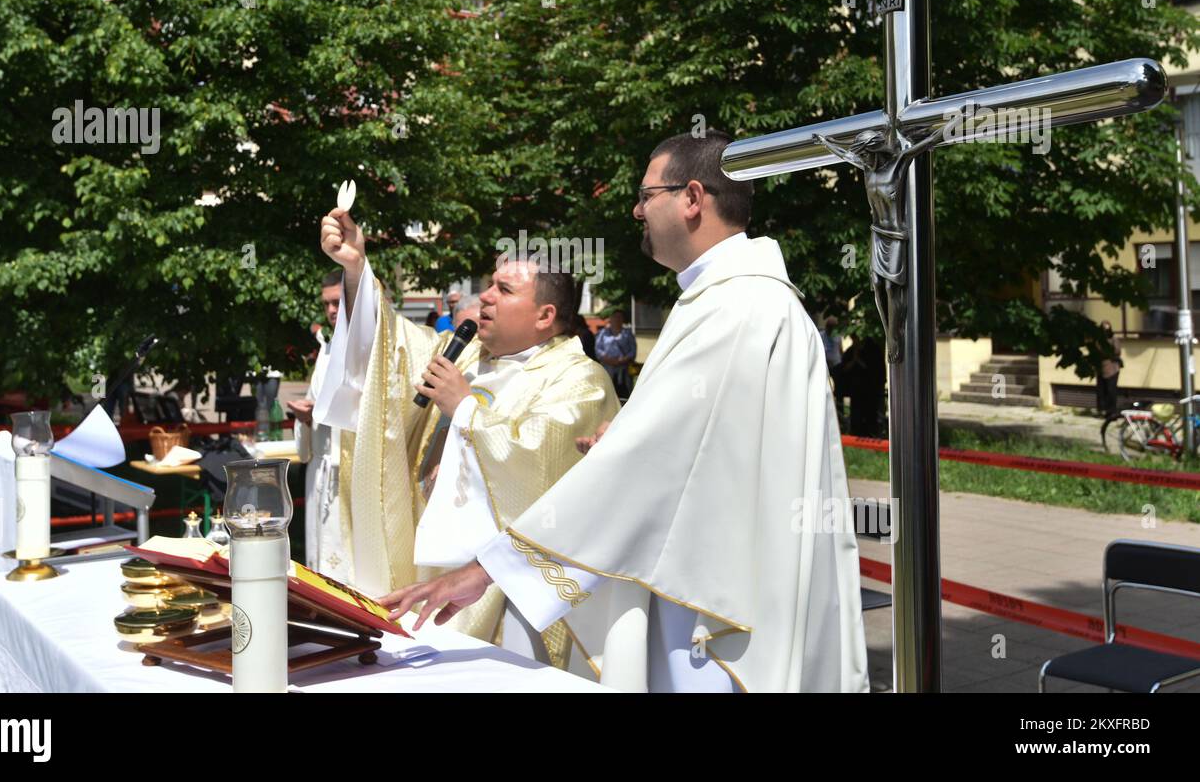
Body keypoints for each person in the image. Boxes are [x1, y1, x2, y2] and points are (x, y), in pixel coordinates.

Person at [381, 129, 869, 693]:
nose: (637, 209)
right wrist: (630, 432)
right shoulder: (737, 298)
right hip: (721, 577)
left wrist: (487, 571)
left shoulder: (734, 306)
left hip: (713, 607)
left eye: (646, 194)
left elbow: (643, 469)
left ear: (691, 198)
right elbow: (703, 450)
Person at [316, 205, 619, 668]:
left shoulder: (580, 379)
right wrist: (355, 268)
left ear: (545, 315)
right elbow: (385, 350)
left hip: (501, 590)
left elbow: (544, 466)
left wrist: (465, 411)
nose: (486, 298)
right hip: (426, 569)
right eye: (489, 285)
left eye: (504, 289)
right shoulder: (465, 354)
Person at [287, 272, 350, 580]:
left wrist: (321, 413)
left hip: (350, 470)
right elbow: (315, 400)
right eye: (327, 304)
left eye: (338, 302)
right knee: (319, 551)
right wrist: (306, 417)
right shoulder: (326, 350)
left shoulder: (372, 351)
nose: (331, 311)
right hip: (322, 469)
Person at [595, 310, 637, 399]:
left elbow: (633, 350)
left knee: (624, 395)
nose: (617, 319)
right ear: (611, 319)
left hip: (624, 371)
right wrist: (608, 359)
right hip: (608, 369)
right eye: (615, 317)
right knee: (608, 394)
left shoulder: (628, 333)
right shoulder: (603, 333)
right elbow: (598, 349)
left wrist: (624, 359)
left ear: (623, 319)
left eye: (619, 317)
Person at [1097, 320, 1123, 419]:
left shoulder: (1114, 339)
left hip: (1112, 368)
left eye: (1107, 329)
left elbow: (1117, 351)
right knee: (1101, 390)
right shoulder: (1098, 340)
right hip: (1101, 367)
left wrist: (1107, 350)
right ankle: (1103, 410)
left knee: (1111, 390)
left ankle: (1112, 411)